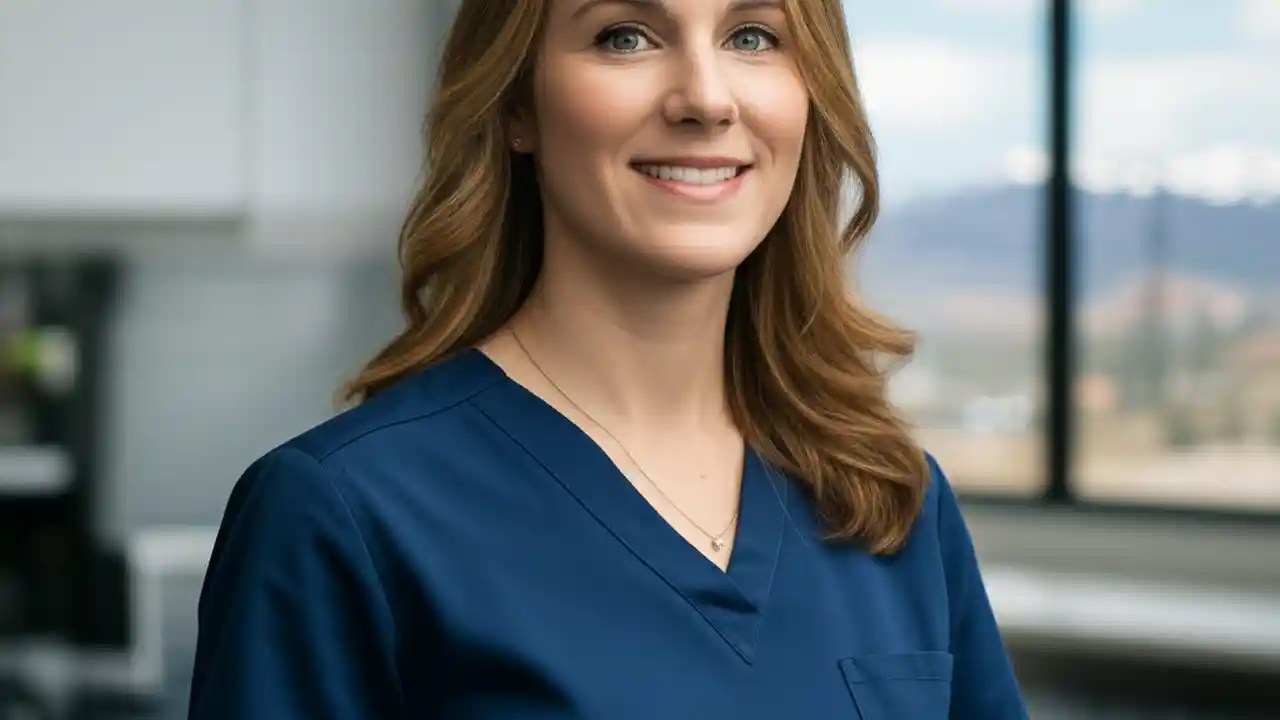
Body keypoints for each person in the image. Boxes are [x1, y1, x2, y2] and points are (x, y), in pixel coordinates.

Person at [187, 0, 1028, 717]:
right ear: (516, 103)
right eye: (626, 34)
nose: (706, 97)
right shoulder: (341, 515)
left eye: (754, 36)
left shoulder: (890, 503)